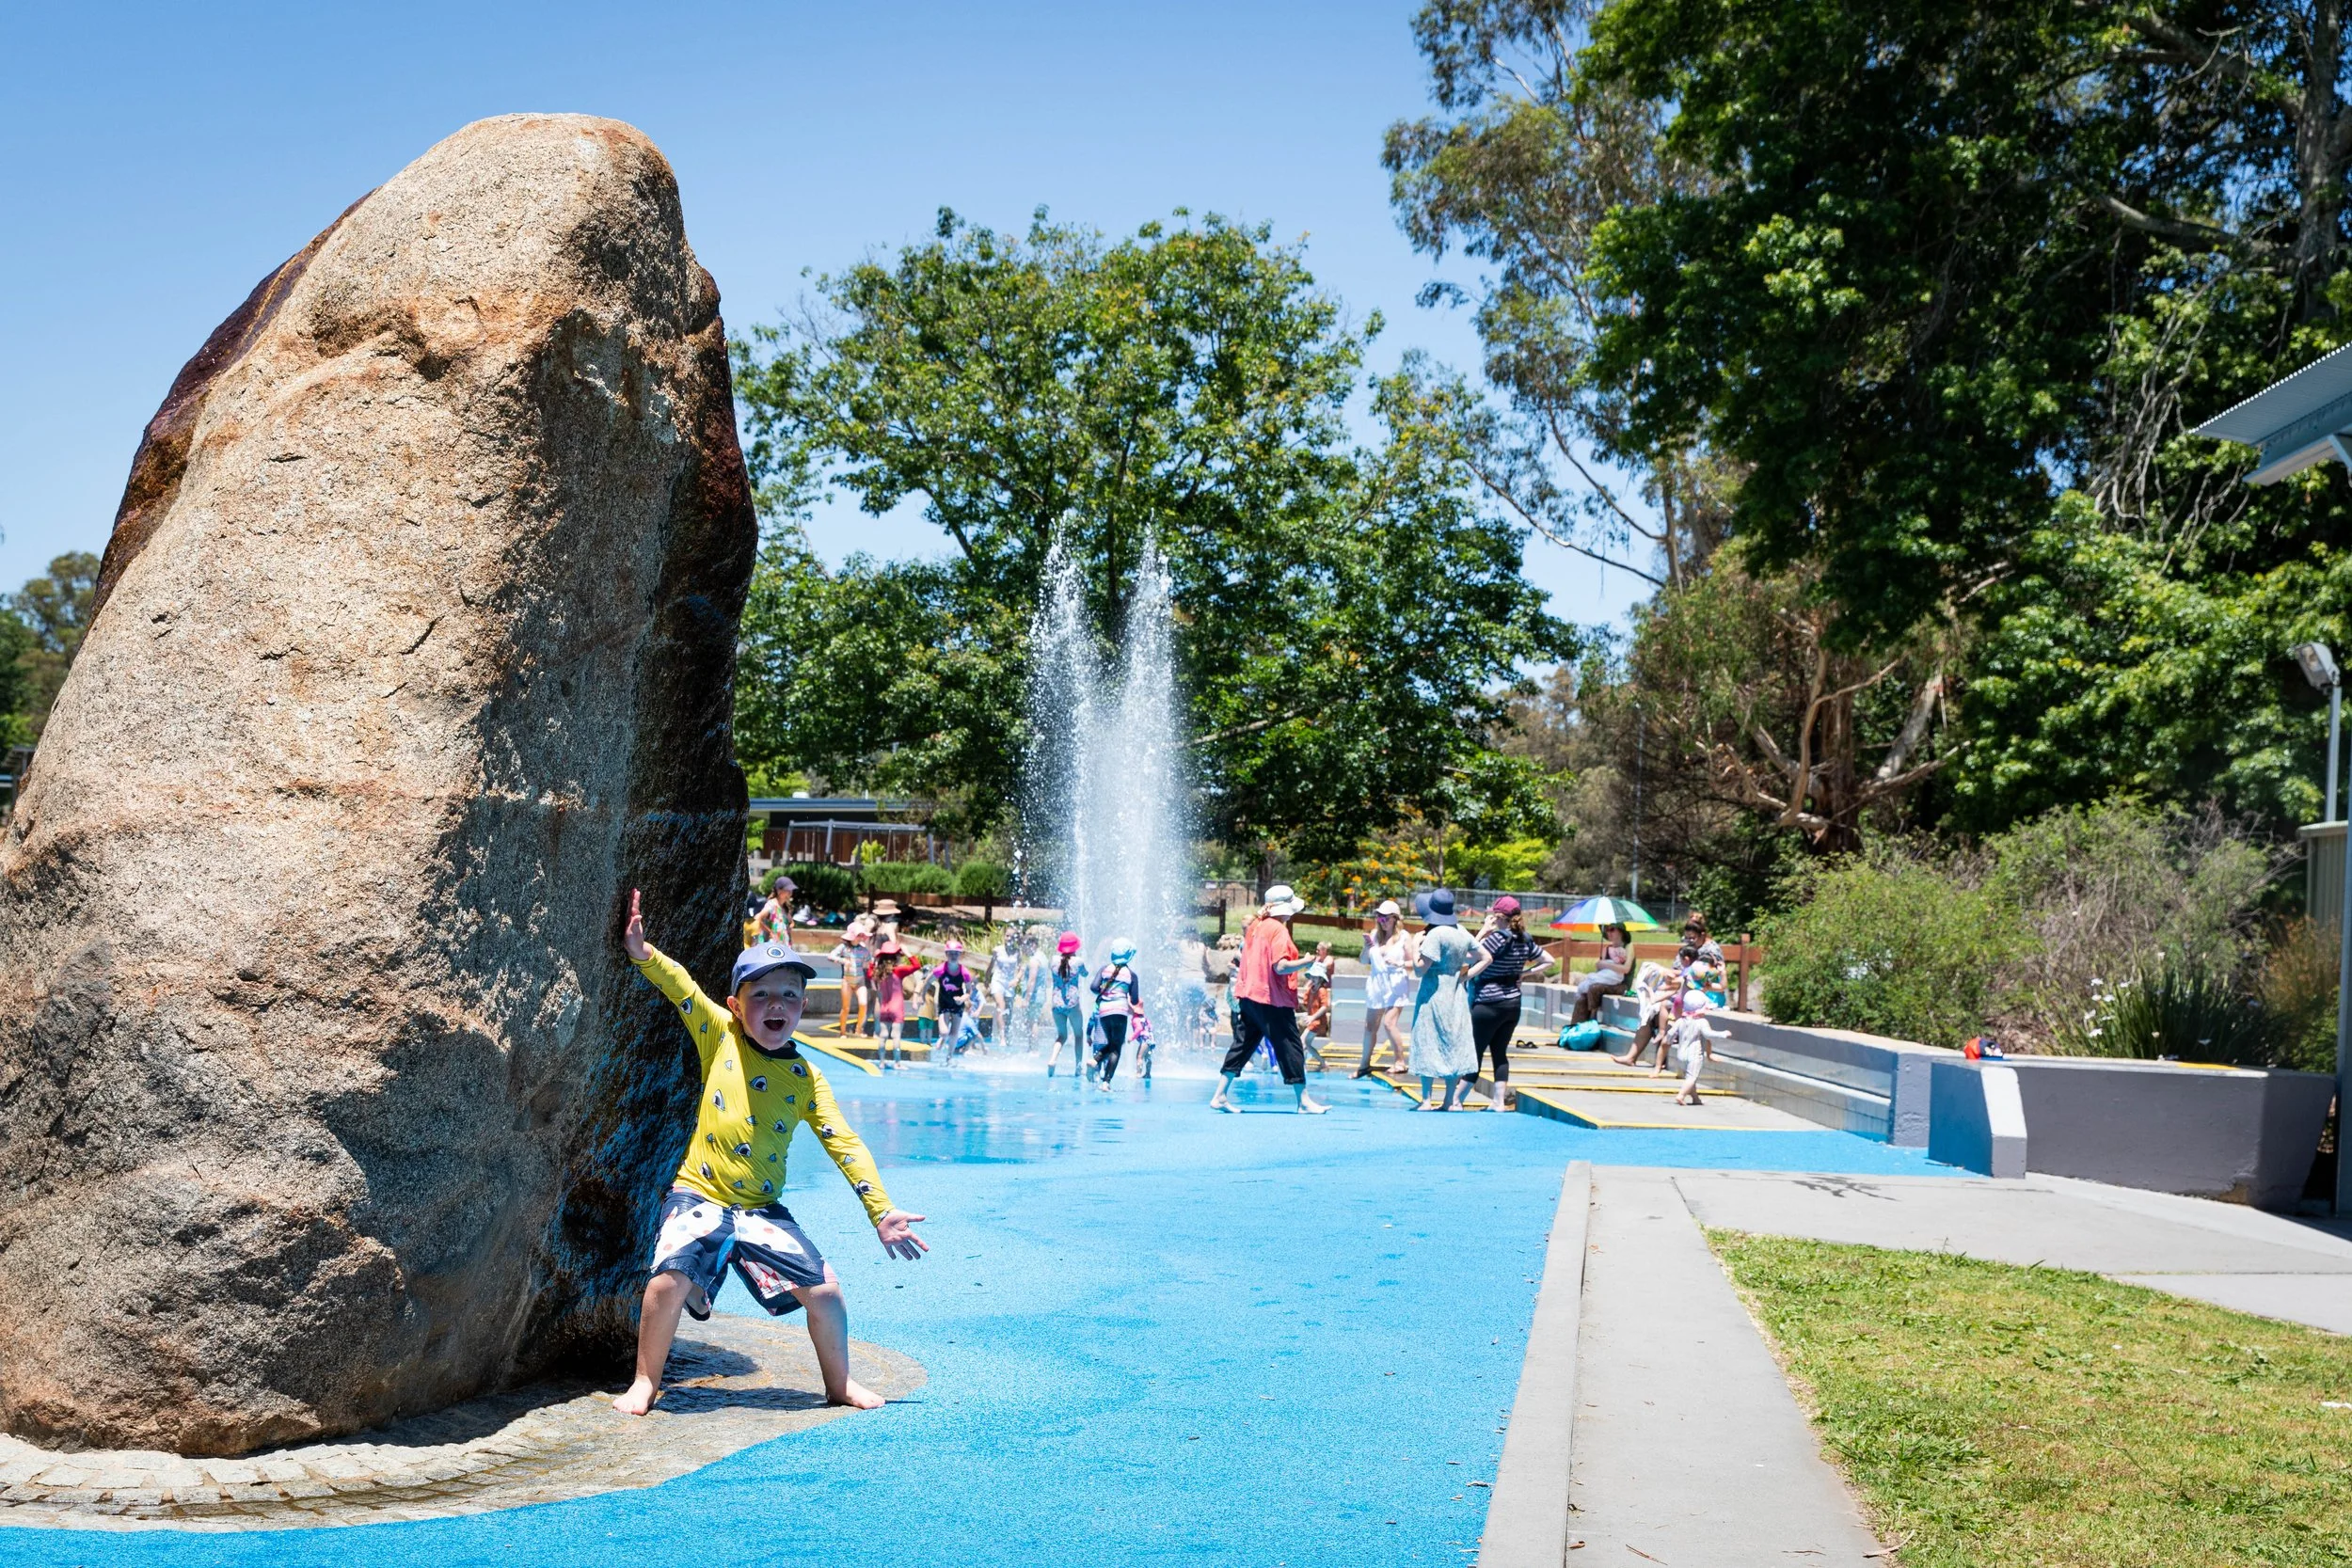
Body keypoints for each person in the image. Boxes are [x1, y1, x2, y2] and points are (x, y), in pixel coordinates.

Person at [612, 892, 928, 1417]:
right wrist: (643, 954)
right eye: (761, 995)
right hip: (699, 1196)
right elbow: (683, 988)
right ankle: (646, 1381)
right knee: (668, 1280)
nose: (776, 1005)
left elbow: (844, 1143)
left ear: (802, 1005)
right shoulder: (722, 1036)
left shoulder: (806, 1078)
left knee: (826, 1293)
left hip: (761, 1209)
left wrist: (881, 1210)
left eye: (789, 995)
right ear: (737, 1006)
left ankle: (840, 1383)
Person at [1211, 885, 1328, 1115]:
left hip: (1250, 996)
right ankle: (1303, 1101)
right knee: (1291, 1045)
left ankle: (1220, 1095)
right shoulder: (1278, 930)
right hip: (1272, 999)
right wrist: (1306, 962)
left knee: (1242, 1045)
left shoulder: (1256, 926)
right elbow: (1280, 967)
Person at [1462, 896, 1558, 1113]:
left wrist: (1483, 931)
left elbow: (1469, 956)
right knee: (1500, 1053)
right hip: (1513, 1003)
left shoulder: (1497, 938)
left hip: (1488, 1001)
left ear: (1498, 917)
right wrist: (1524, 974)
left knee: (1474, 1052)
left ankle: (1457, 1099)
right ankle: (1498, 1102)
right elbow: (1549, 960)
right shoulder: (1524, 938)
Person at [1406, 888, 1479, 1110]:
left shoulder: (1435, 934)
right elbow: (1485, 957)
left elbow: (1420, 969)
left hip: (1433, 993)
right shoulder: (1461, 931)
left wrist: (1414, 946)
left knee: (1427, 1039)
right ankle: (1448, 1100)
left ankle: (1426, 1099)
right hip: (1456, 992)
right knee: (1452, 1042)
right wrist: (1465, 975)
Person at [1354, 899, 1417, 1078]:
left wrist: (1399, 963)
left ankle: (1400, 1061)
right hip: (1377, 984)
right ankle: (1364, 1065)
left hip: (1396, 984)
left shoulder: (1404, 937)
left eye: (1385, 918)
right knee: (1369, 1026)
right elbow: (1364, 961)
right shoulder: (1375, 935)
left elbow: (1414, 964)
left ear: (1395, 919)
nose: (1382, 921)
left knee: (1389, 1023)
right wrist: (1366, 948)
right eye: (1379, 917)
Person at [1090, 939, 1140, 1086]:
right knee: (1116, 1048)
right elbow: (1135, 1000)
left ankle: (1096, 1060)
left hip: (1104, 1011)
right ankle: (1105, 1081)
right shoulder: (1131, 975)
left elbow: (1093, 987)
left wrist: (1106, 993)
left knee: (1113, 1043)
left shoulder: (1104, 969)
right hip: (1120, 1012)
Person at [1667, 990, 1729, 1106]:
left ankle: (1696, 1099)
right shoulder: (1701, 1022)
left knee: (1690, 1078)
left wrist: (1669, 1041)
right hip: (1694, 1055)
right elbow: (1708, 1034)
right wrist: (1723, 1034)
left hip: (1680, 1054)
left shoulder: (1680, 1021)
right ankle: (1681, 1095)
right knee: (1692, 1077)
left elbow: (1670, 1033)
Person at [1568, 922, 1633, 1025]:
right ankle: (1575, 1025)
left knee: (1594, 988)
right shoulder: (1606, 949)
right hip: (1606, 982)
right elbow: (1601, 973)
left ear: (1621, 931)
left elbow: (1626, 969)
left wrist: (1605, 964)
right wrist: (1600, 966)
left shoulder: (1628, 947)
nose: (1609, 933)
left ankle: (1592, 1019)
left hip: (1622, 985)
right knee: (1582, 996)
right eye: (1607, 930)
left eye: (1612, 929)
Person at [1046, 932, 1089, 1078]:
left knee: (1061, 1036)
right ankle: (1078, 1067)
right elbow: (1085, 974)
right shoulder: (1078, 962)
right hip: (1072, 1005)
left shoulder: (1053, 960)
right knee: (1078, 1034)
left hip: (1056, 1004)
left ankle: (1052, 1060)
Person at [933, 939, 976, 1061]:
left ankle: (949, 1057)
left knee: (954, 1033)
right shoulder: (940, 970)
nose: (953, 956)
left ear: (960, 955)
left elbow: (969, 991)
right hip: (944, 1003)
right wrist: (919, 995)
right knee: (944, 1032)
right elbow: (927, 982)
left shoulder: (964, 972)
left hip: (958, 1004)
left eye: (956, 953)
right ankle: (943, 1038)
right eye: (951, 953)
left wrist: (962, 999)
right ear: (946, 954)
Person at [1295, 941, 1335, 1073]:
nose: (1313, 979)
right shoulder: (1311, 990)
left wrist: (1312, 1017)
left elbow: (1325, 1007)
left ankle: (1301, 1066)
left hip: (1318, 1022)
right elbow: (1305, 1002)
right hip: (1312, 1021)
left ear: (1320, 978)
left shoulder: (1322, 991)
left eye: (1315, 977)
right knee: (1307, 1044)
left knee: (1302, 1041)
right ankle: (1323, 1063)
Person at [832, 918, 874, 1039]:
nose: (860, 938)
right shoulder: (843, 948)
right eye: (858, 935)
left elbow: (870, 961)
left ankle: (859, 1029)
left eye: (861, 935)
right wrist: (843, 960)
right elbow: (831, 955)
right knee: (846, 1008)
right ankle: (843, 1032)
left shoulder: (863, 950)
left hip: (860, 981)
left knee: (863, 1004)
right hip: (847, 981)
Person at [872, 938, 911, 1065]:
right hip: (897, 1008)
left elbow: (869, 971)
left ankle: (882, 1062)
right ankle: (897, 1063)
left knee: (883, 1035)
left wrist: (874, 959)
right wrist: (907, 953)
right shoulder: (899, 971)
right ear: (896, 957)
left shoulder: (878, 973)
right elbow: (916, 965)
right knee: (896, 1036)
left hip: (884, 1008)